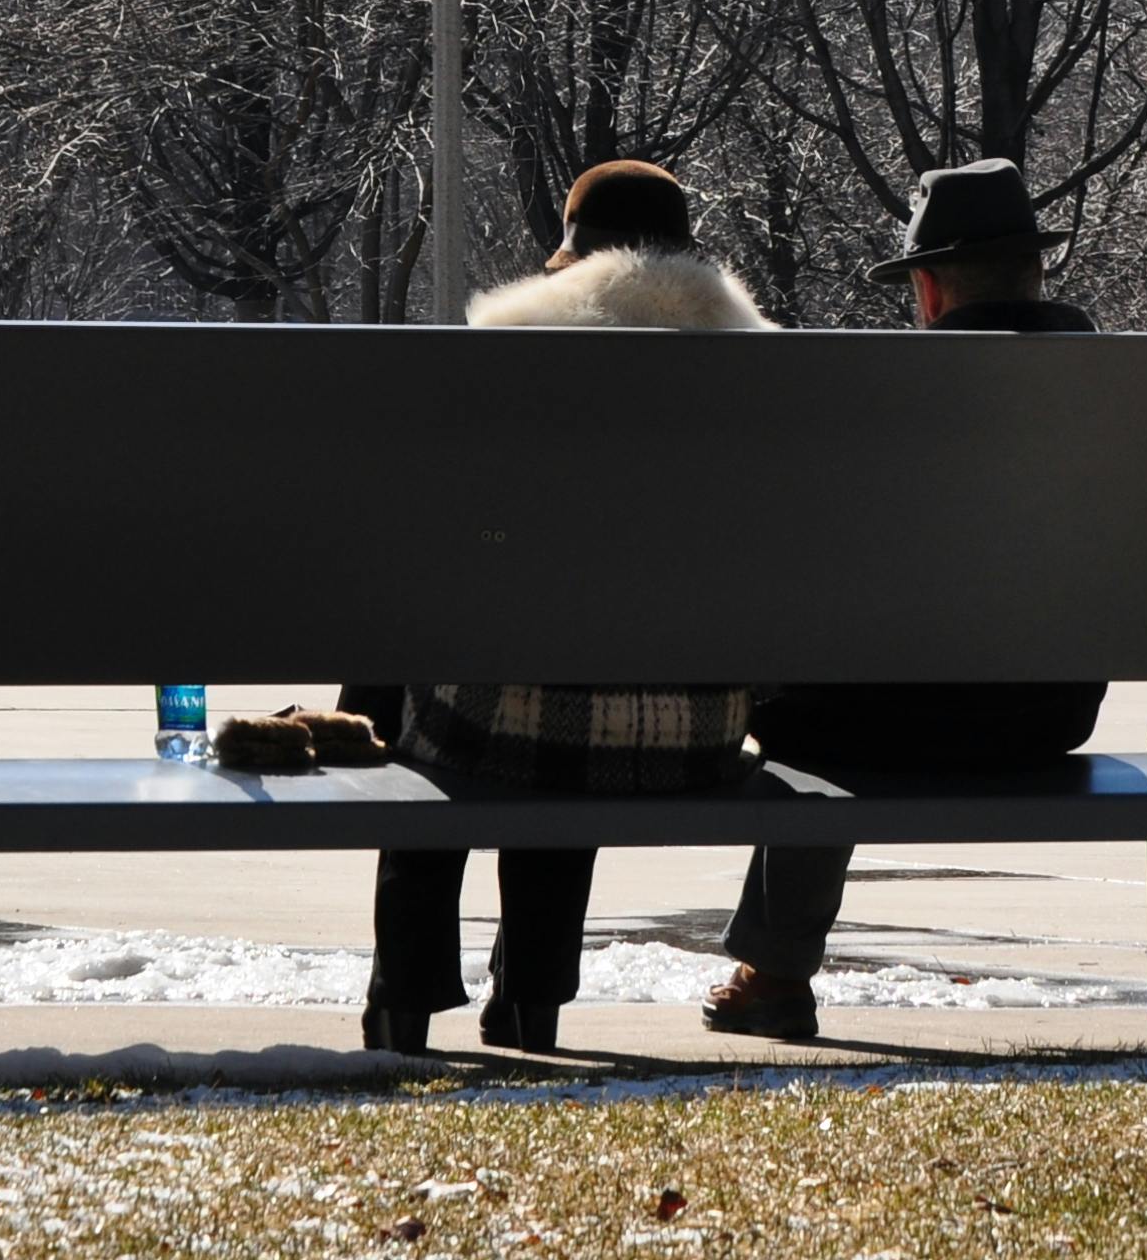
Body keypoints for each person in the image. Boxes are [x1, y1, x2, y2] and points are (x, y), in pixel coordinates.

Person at [363, 158, 770, 1056]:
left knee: (465, 689)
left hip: (523, 725)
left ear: (574, 254)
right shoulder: (758, 362)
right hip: (701, 730)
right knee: (581, 663)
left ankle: (403, 998)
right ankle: (531, 999)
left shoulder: (519, 347)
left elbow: (443, 532)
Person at [701, 157, 1105, 1041]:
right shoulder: (1110, 389)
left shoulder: (887, 391)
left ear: (928, 290)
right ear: (1034, 272)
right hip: (1049, 712)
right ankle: (770, 969)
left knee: (807, 710)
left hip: (879, 724)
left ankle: (776, 972)